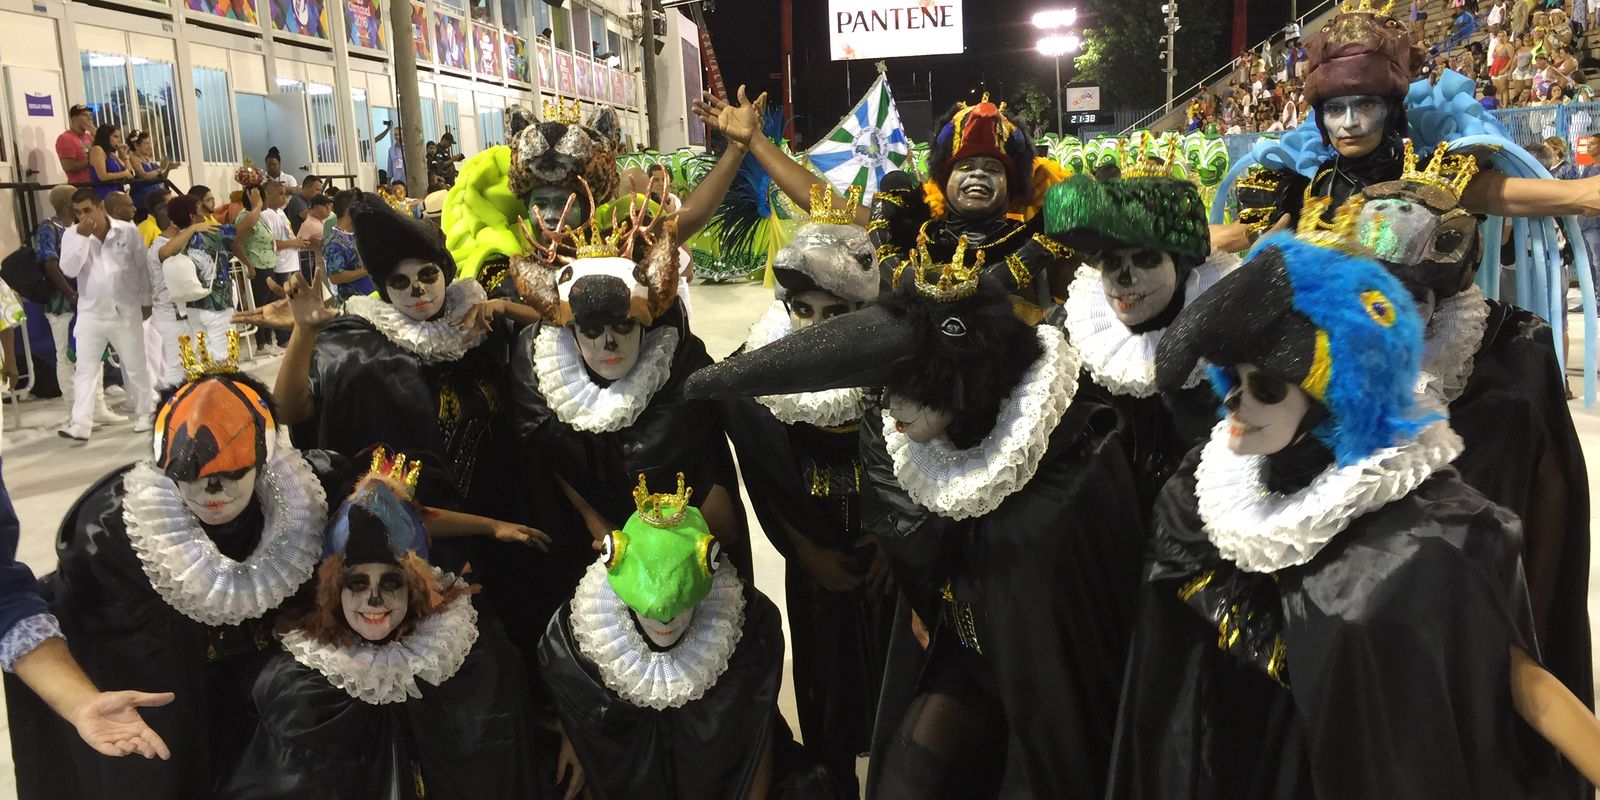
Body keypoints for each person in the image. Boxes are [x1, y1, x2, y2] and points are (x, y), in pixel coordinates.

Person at [1112, 198, 1596, 798]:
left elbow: (1507, 673)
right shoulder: (1202, 490)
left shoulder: (1430, 531)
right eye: (1230, 381)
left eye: (1265, 386)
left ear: (1331, 391)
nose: (1235, 403)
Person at [686, 236, 1144, 798]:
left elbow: (1078, 619)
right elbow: (912, 534)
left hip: (1047, 679)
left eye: (907, 386)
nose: (887, 405)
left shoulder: (1074, 462)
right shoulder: (902, 439)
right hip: (960, 653)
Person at [7, 334, 341, 798]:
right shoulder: (115, 530)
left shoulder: (311, 492)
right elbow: (114, 643)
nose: (213, 492)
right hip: (177, 697)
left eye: (232, 474)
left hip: (273, 699)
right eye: (194, 477)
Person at [1212, 1, 1598, 388]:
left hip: (1418, 364)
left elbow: (1502, 195)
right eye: (1335, 109)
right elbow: (1232, 237)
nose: (1349, 123)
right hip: (1330, 365)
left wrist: (1579, 194)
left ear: (1392, 110)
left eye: (1365, 105)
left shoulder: (1426, 172)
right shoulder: (1303, 185)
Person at [1356, 142, 1594, 738]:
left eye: (1410, 298)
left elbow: (1553, 488)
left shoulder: (1518, 346)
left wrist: (1530, 625)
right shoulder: (1340, 344)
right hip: (1377, 597)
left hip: (1493, 591)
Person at [219, 449, 546, 798]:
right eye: (357, 583)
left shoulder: (469, 660)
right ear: (334, 587)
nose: (374, 601)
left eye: (391, 582)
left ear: (415, 586)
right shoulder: (298, 689)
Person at [713, 187, 893, 796]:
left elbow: (929, 468)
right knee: (827, 693)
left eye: (835, 314)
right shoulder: (760, 383)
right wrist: (804, 553)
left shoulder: (902, 371)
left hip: (894, 564)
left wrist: (895, 544)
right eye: (803, 311)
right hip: (815, 564)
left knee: (896, 691)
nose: (816, 332)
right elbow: (764, 484)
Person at [538, 473, 842, 800]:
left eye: (678, 607)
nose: (665, 617)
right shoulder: (576, 639)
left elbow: (752, 738)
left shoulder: (749, 627)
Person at [696, 88, 1072, 311]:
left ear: (1011, 182)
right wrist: (754, 141)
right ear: (944, 178)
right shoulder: (910, 229)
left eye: (992, 168)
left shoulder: (1041, 241)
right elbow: (819, 199)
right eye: (965, 166)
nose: (977, 175)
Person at [1044, 172, 1239, 507]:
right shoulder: (1076, 335)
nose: (1124, 277)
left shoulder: (1227, 338)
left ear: (1181, 266)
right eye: (1112, 262)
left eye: (1146, 259)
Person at [56, 189, 152, 442]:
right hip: (91, 312)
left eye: (87, 210)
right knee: (85, 369)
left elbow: (142, 267)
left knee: (135, 365)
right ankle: (80, 423)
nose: (83, 217)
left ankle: (146, 412)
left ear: (100, 207)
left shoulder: (128, 231)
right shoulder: (72, 235)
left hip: (125, 309)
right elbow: (69, 269)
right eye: (77, 213)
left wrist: (146, 300)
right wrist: (80, 238)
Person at [158, 195, 238, 361]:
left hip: (193, 307)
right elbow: (244, 228)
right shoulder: (213, 233)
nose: (203, 214)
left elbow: (163, 253)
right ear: (192, 216)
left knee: (205, 356)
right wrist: (257, 205)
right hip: (218, 304)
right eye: (200, 210)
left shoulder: (178, 241)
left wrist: (191, 230)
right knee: (226, 356)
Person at [258, 180, 308, 349]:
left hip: (291, 261)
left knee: (293, 301)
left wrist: (296, 242)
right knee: (283, 302)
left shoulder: (280, 212)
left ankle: (293, 333)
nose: (284, 197)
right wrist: (294, 243)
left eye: (285, 193)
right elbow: (274, 243)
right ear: (268, 195)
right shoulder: (266, 215)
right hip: (281, 264)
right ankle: (283, 337)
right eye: (280, 194)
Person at [141, 199, 183, 388]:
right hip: (170, 315)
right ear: (174, 222)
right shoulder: (161, 246)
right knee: (173, 368)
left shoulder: (173, 243)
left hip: (179, 314)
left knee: (184, 365)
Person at [321, 189, 374, 300]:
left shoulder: (356, 233)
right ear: (349, 211)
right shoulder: (334, 242)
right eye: (360, 207)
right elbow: (335, 277)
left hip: (370, 295)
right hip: (354, 302)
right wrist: (367, 270)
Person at [127, 130, 179, 216]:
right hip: (142, 200)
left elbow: (160, 178)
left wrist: (167, 169)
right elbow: (143, 176)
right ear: (136, 145)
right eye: (146, 143)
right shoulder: (133, 158)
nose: (150, 146)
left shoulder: (148, 159)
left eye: (150, 143)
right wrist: (160, 168)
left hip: (155, 198)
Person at [87, 124, 134, 200]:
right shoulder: (97, 149)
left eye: (119, 137)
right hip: (104, 194)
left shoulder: (112, 155)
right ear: (105, 137)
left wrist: (125, 157)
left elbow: (130, 173)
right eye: (115, 137)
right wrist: (124, 174)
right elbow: (102, 176)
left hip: (118, 194)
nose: (119, 140)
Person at [56, 105, 95, 186]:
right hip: (80, 186)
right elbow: (68, 166)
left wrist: (96, 135)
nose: (89, 118)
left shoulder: (89, 136)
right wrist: (93, 161)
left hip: (96, 183)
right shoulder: (66, 138)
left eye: (90, 115)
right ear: (74, 119)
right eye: (84, 115)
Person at [296, 193, 331, 273]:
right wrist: (314, 242)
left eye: (329, 206)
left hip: (326, 263)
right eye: (325, 206)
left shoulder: (322, 220)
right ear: (316, 207)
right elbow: (298, 247)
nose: (328, 208)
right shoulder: (308, 224)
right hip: (318, 266)